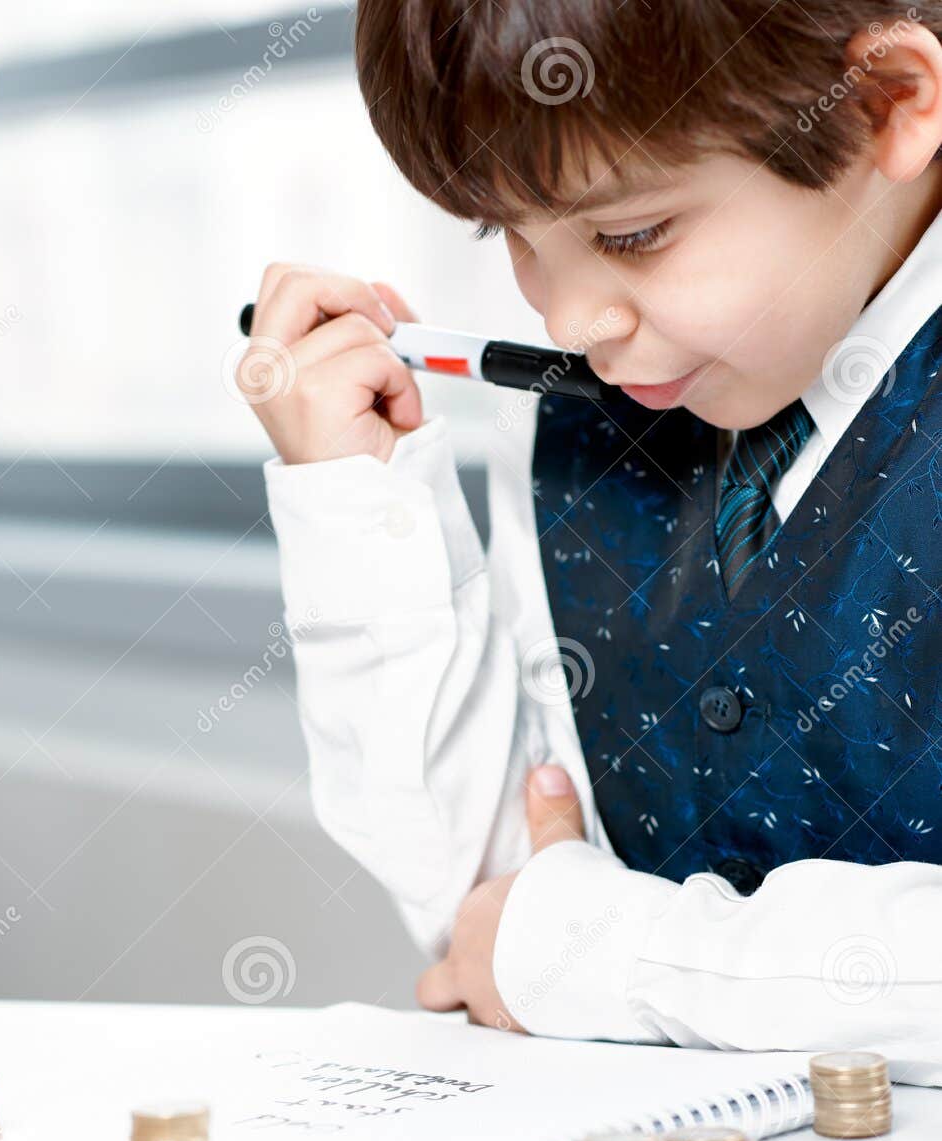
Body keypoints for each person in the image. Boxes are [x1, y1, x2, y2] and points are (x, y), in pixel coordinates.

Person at [246, 1, 942, 1072]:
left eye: (631, 235)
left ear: (886, 102)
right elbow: (492, 914)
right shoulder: (589, 417)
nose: (567, 321)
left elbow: (556, 946)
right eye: (511, 236)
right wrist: (357, 499)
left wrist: (618, 959)